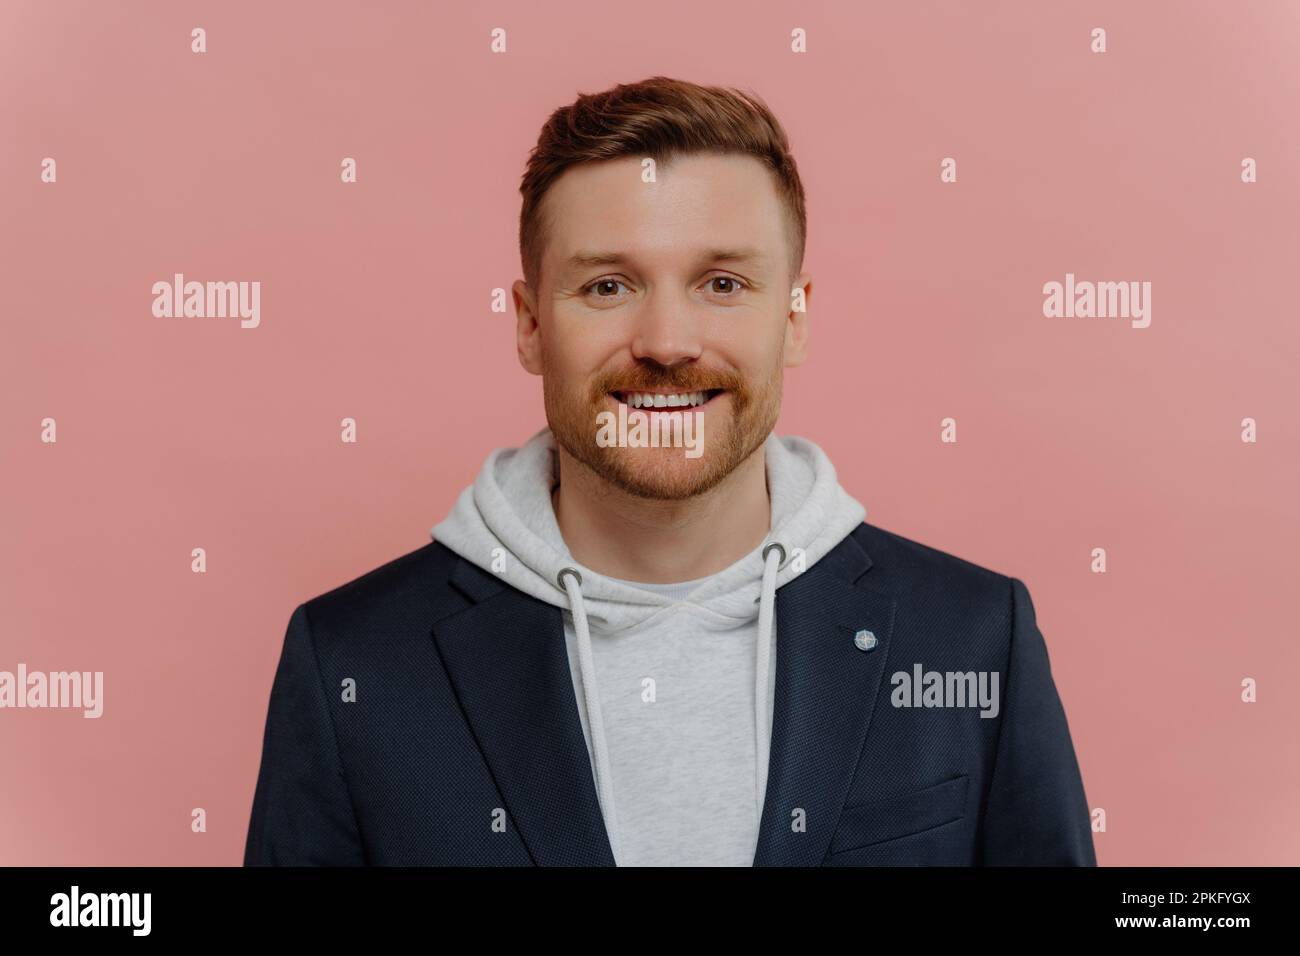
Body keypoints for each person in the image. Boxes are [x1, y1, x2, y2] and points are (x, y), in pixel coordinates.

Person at [243, 75, 1096, 867]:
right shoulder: (351, 661)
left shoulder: (977, 637)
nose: (666, 342)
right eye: (608, 286)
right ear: (531, 325)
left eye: (723, 282)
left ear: (794, 319)